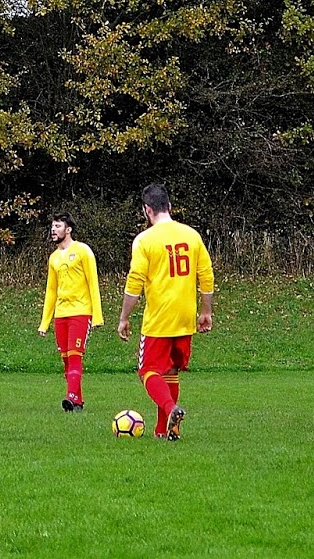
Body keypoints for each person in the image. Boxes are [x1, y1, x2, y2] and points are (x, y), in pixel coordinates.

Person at [116, 184, 214, 440]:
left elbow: (135, 282)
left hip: (159, 318)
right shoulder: (192, 235)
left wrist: (124, 317)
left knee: (147, 370)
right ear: (169, 206)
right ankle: (163, 430)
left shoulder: (145, 240)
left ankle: (171, 409)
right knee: (170, 371)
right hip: (184, 317)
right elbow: (206, 275)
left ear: (147, 210)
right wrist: (206, 311)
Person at [37, 211, 103, 412]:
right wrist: (44, 322)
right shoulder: (54, 258)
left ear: (69, 229)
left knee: (75, 356)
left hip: (80, 312)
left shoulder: (83, 251)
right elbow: (51, 291)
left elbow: (93, 282)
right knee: (66, 359)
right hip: (61, 315)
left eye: (57, 226)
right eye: (52, 226)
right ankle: (78, 401)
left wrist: (97, 315)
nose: (53, 230)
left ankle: (71, 396)